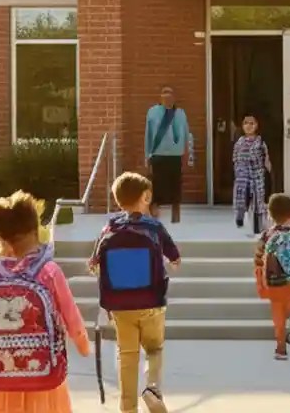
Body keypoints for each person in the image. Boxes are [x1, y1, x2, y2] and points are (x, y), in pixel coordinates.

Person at [0, 191, 90, 413]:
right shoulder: (49, 271)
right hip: (44, 378)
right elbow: (73, 321)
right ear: (36, 229)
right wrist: (84, 347)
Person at [89, 172, 182, 413]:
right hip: (151, 302)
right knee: (154, 349)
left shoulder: (109, 227)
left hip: (119, 305)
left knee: (127, 356)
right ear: (146, 197)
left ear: (118, 201)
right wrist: (170, 262)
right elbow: (175, 258)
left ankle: (127, 407)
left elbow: (93, 263)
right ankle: (152, 388)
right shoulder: (154, 226)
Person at [254, 193, 290, 360]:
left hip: (276, 282)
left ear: (270, 215)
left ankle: (280, 347)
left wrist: (261, 281)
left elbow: (259, 258)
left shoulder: (267, 235)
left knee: (278, 310)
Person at [144, 85, 195, 224]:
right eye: (164, 93)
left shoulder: (180, 113)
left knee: (175, 185)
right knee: (156, 185)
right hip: (158, 154)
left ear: (174, 97)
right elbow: (148, 135)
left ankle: (176, 215)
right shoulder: (152, 112)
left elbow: (186, 135)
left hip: (175, 155)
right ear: (160, 96)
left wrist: (188, 155)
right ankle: (154, 214)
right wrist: (147, 155)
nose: (167, 96)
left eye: (170, 93)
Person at [233, 113, 272, 236]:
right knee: (241, 198)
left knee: (258, 200)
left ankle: (258, 225)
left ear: (256, 126)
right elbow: (235, 157)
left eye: (252, 123)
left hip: (257, 173)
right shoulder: (239, 142)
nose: (249, 126)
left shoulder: (260, 142)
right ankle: (239, 217)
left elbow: (266, 158)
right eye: (246, 123)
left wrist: (268, 170)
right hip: (242, 174)